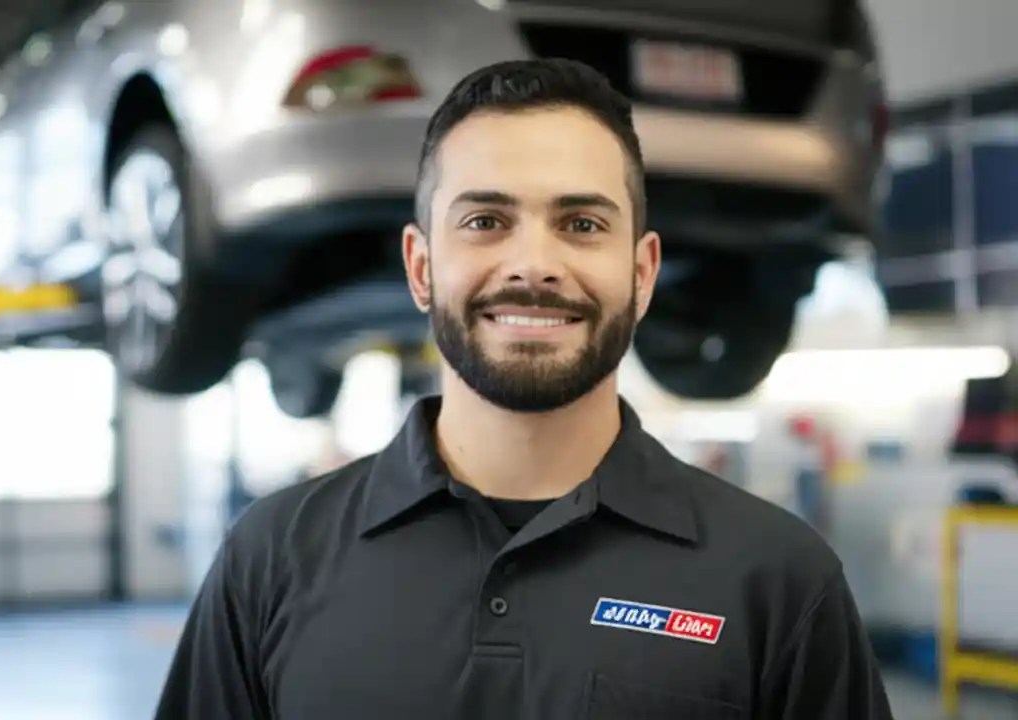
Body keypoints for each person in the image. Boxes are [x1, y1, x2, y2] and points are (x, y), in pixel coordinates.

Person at [155, 58, 893, 720]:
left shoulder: (778, 580)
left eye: (580, 222)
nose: (534, 263)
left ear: (641, 273)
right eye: (484, 220)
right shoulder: (272, 559)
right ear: (421, 268)